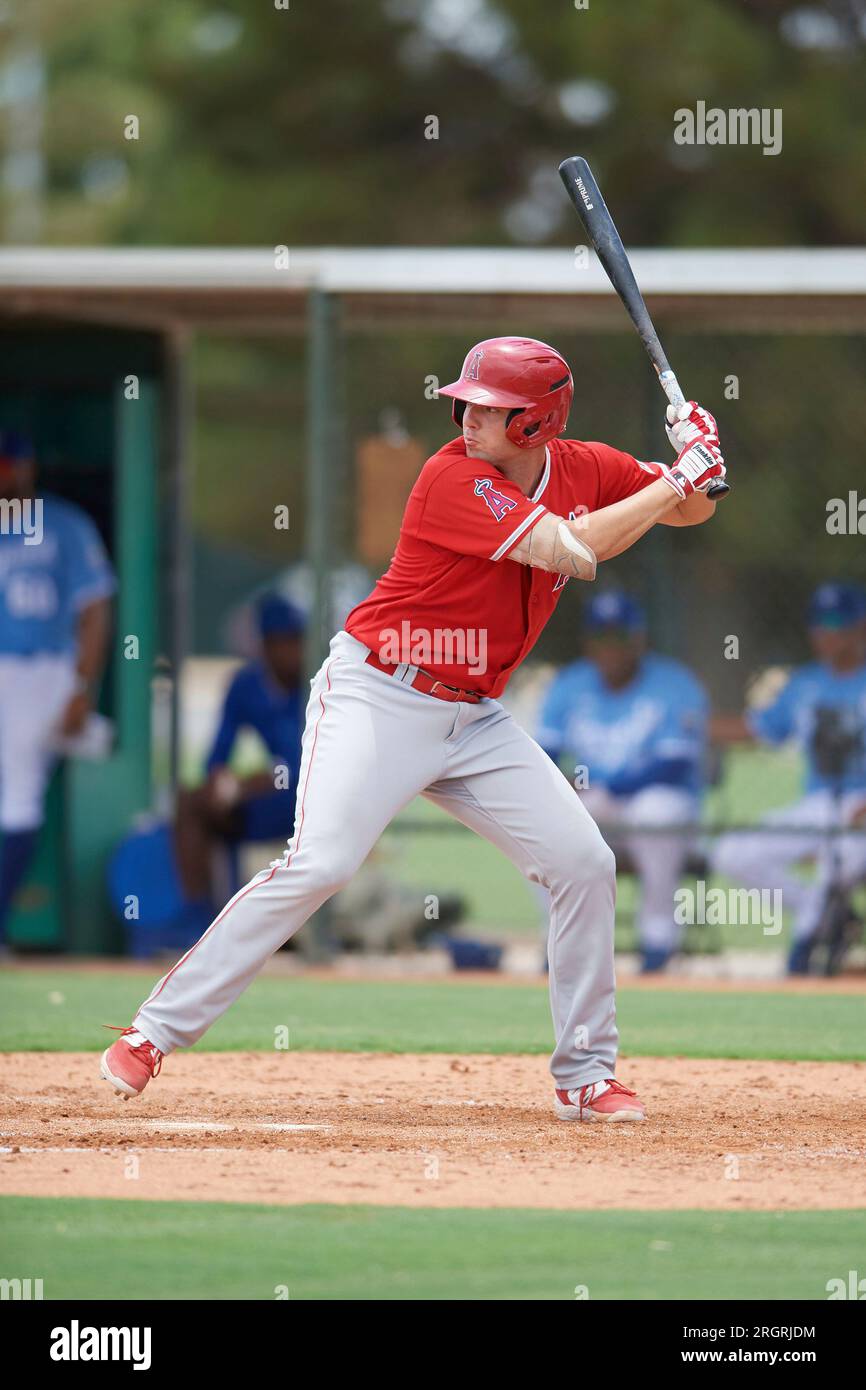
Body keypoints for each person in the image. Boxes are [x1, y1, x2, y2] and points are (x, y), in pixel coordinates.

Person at [101, 335, 726, 1123]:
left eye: (488, 409)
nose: (465, 417)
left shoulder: (588, 466)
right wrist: (676, 479)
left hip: (474, 714)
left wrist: (700, 457)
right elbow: (572, 551)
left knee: (582, 862)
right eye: (465, 403)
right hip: (378, 694)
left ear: (537, 424)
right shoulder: (449, 477)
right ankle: (154, 1032)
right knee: (322, 862)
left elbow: (691, 508)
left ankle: (586, 1075)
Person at [537, 589, 708, 972]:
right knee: (542, 821)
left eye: (619, 636)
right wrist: (573, 786)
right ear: (588, 642)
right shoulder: (570, 683)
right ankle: (561, 940)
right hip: (595, 802)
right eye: (601, 636)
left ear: (638, 639)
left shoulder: (674, 682)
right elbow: (543, 755)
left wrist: (607, 787)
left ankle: (658, 937)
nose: (609, 646)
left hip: (656, 801)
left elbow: (675, 764)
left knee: (656, 812)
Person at [712, 582, 866, 974]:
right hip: (818, 805)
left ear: (859, 626)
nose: (825, 632)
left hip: (860, 811)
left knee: (841, 857)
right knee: (733, 851)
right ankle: (828, 917)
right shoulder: (805, 682)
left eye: (836, 622)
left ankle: (806, 942)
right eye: (818, 623)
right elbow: (760, 729)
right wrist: (696, 726)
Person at [0, 429, 115, 946]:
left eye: (15, 465)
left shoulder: (62, 523)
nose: (10, 476)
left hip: (42, 668)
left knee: (19, 795)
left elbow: (95, 610)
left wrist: (81, 686)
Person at [174, 593, 305, 907]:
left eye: (297, 639)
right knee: (191, 803)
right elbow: (217, 755)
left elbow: (299, 767)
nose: (294, 650)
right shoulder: (247, 684)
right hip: (270, 803)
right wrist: (221, 784)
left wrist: (243, 785)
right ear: (266, 646)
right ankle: (200, 920)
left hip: (314, 802)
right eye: (284, 641)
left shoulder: (318, 680)